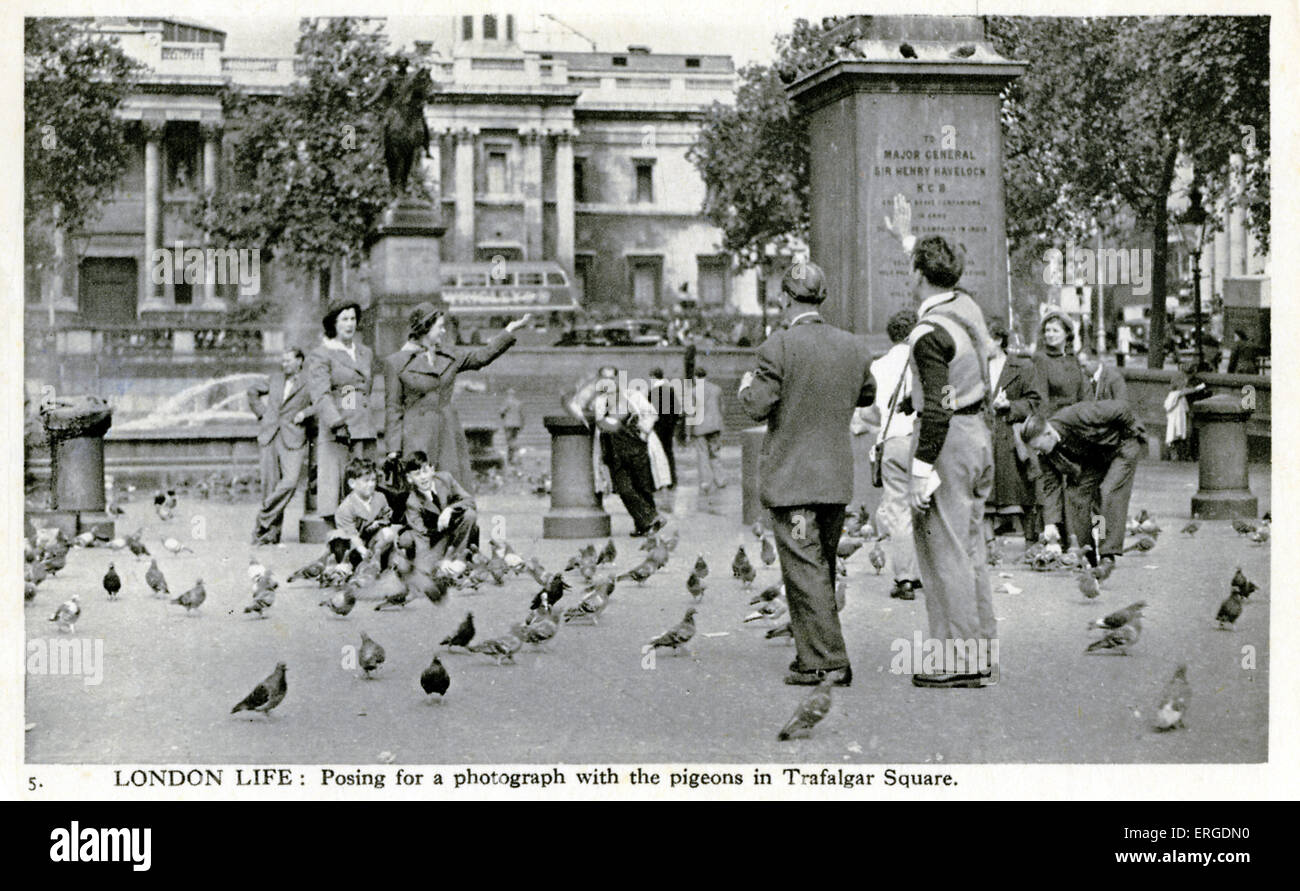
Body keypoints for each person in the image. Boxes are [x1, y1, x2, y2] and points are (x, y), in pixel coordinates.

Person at [738, 260, 875, 687]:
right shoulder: (852, 346)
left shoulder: (777, 347)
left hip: (793, 484)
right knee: (821, 567)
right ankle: (814, 652)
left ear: (784, 298)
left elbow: (756, 405)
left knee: (804, 570)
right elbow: (868, 393)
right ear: (822, 298)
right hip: (834, 481)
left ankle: (826, 661)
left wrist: (746, 385)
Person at [886, 192, 997, 688]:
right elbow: (942, 276)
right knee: (971, 550)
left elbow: (935, 407)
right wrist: (907, 240)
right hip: (978, 436)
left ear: (916, 275)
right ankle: (980, 649)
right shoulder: (965, 307)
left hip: (947, 443)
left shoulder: (928, 332)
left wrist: (919, 470)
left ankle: (958, 660)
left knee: (943, 553)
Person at [384, 303, 532, 487]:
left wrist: (509, 330)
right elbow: (393, 408)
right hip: (416, 435)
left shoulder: (449, 356)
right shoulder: (396, 362)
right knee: (419, 490)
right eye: (440, 326)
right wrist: (393, 449)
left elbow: (482, 356)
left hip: (448, 432)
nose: (444, 331)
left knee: (450, 489)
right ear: (426, 328)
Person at [1021, 400, 1147, 570]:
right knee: (1076, 496)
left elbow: (1121, 408)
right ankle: (1088, 555)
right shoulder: (1045, 453)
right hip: (1095, 458)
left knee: (1107, 492)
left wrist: (1133, 432)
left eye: (1038, 447)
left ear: (1048, 434)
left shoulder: (1076, 416)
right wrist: (1050, 524)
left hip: (1122, 446)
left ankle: (1107, 555)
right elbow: (1051, 487)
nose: (1037, 452)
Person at [862, 308, 922, 600]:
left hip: (893, 442)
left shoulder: (877, 366)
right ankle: (924, 573)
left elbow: (870, 413)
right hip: (924, 440)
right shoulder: (923, 362)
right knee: (926, 506)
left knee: (898, 510)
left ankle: (904, 578)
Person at [569, 366, 670, 537]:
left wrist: (643, 432)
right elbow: (579, 407)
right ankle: (652, 517)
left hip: (636, 446)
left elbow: (651, 414)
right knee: (624, 488)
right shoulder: (599, 401)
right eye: (604, 378)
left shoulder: (632, 395)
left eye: (612, 378)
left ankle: (644, 525)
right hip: (613, 448)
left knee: (641, 486)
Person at [307, 299, 377, 524]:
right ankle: (338, 547)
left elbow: (361, 388)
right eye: (344, 319)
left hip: (363, 429)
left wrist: (353, 405)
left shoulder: (365, 352)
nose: (350, 324)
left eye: (353, 319)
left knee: (365, 488)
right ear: (333, 324)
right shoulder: (322, 354)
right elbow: (321, 394)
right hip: (339, 433)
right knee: (337, 488)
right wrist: (337, 423)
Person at [1030, 310, 1088, 552]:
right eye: (1047, 330)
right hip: (1052, 428)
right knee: (1052, 480)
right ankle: (1054, 537)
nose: (1050, 334)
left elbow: (1084, 394)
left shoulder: (1075, 361)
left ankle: (1083, 536)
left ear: (1067, 333)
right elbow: (1040, 397)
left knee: (1080, 481)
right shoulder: (1041, 359)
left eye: (1055, 330)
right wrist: (1047, 430)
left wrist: (1087, 422)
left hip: (1076, 428)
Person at [986, 318, 1045, 544]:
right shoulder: (975, 367)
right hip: (984, 437)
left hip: (1010, 440)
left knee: (1019, 493)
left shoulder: (1022, 367)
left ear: (998, 340)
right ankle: (988, 544)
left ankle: (1029, 539)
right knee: (985, 496)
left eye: (984, 340)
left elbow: (1035, 402)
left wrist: (1011, 406)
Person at [249, 348, 316, 544]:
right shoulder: (275, 379)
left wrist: (305, 413)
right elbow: (252, 391)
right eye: (282, 361)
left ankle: (262, 517)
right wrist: (262, 413)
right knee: (269, 485)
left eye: (287, 361)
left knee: (290, 481)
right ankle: (269, 534)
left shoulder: (309, 381)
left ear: (299, 362)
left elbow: (320, 402)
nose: (283, 364)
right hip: (270, 435)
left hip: (293, 437)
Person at [402, 451, 479, 561]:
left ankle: (458, 560)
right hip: (434, 539)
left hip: (456, 534)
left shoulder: (445, 479)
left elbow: (470, 500)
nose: (423, 477)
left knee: (469, 514)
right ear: (409, 478)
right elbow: (421, 535)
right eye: (417, 474)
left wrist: (449, 509)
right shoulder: (412, 501)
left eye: (425, 471)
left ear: (432, 470)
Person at [333, 456, 397, 561]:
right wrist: (362, 550)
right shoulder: (346, 507)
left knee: (389, 534)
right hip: (353, 544)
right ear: (352, 483)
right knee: (339, 543)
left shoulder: (380, 497)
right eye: (366, 481)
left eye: (373, 480)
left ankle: (375, 559)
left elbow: (387, 516)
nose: (371, 484)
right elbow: (351, 535)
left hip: (372, 540)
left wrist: (380, 523)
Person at [688, 367, 727, 494]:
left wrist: (688, 432)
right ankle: (721, 480)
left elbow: (691, 413)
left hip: (700, 427)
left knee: (702, 455)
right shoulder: (717, 389)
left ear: (695, 377)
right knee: (715, 453)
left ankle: (706, 482)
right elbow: (723, 408)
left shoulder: (693, 392)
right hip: (715, 426)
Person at [1164, 364, 1212, 461]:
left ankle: (1180, 456)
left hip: (1180, 419)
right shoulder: (1175, 394)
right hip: (1175, 421)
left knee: (1181, 437)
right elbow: (1183, 393)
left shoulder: (1179, 395)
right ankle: (1174, 456)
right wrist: (1196, 389)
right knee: (1175, 438)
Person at [648, 368, 683, 489]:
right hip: (669, 427)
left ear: (653, 377)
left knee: (656, 453)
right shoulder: (671, 390)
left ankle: (658, 481)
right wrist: (673, 423)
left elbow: (650, 410)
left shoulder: (652, 391)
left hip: (657, 426)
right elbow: (678, 410)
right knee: (669, 451)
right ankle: (672, 480)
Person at [499, 388, 524, 465]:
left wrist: (503, 416)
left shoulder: (507, 402)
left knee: (509, 441)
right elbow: (522, 415)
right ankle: (511, 458)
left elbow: (501, 412)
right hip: (517, 424)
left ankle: (515, 454)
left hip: (509, 424)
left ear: (509, 394)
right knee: (514, 439)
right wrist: (521, 424)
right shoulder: (518, 403)